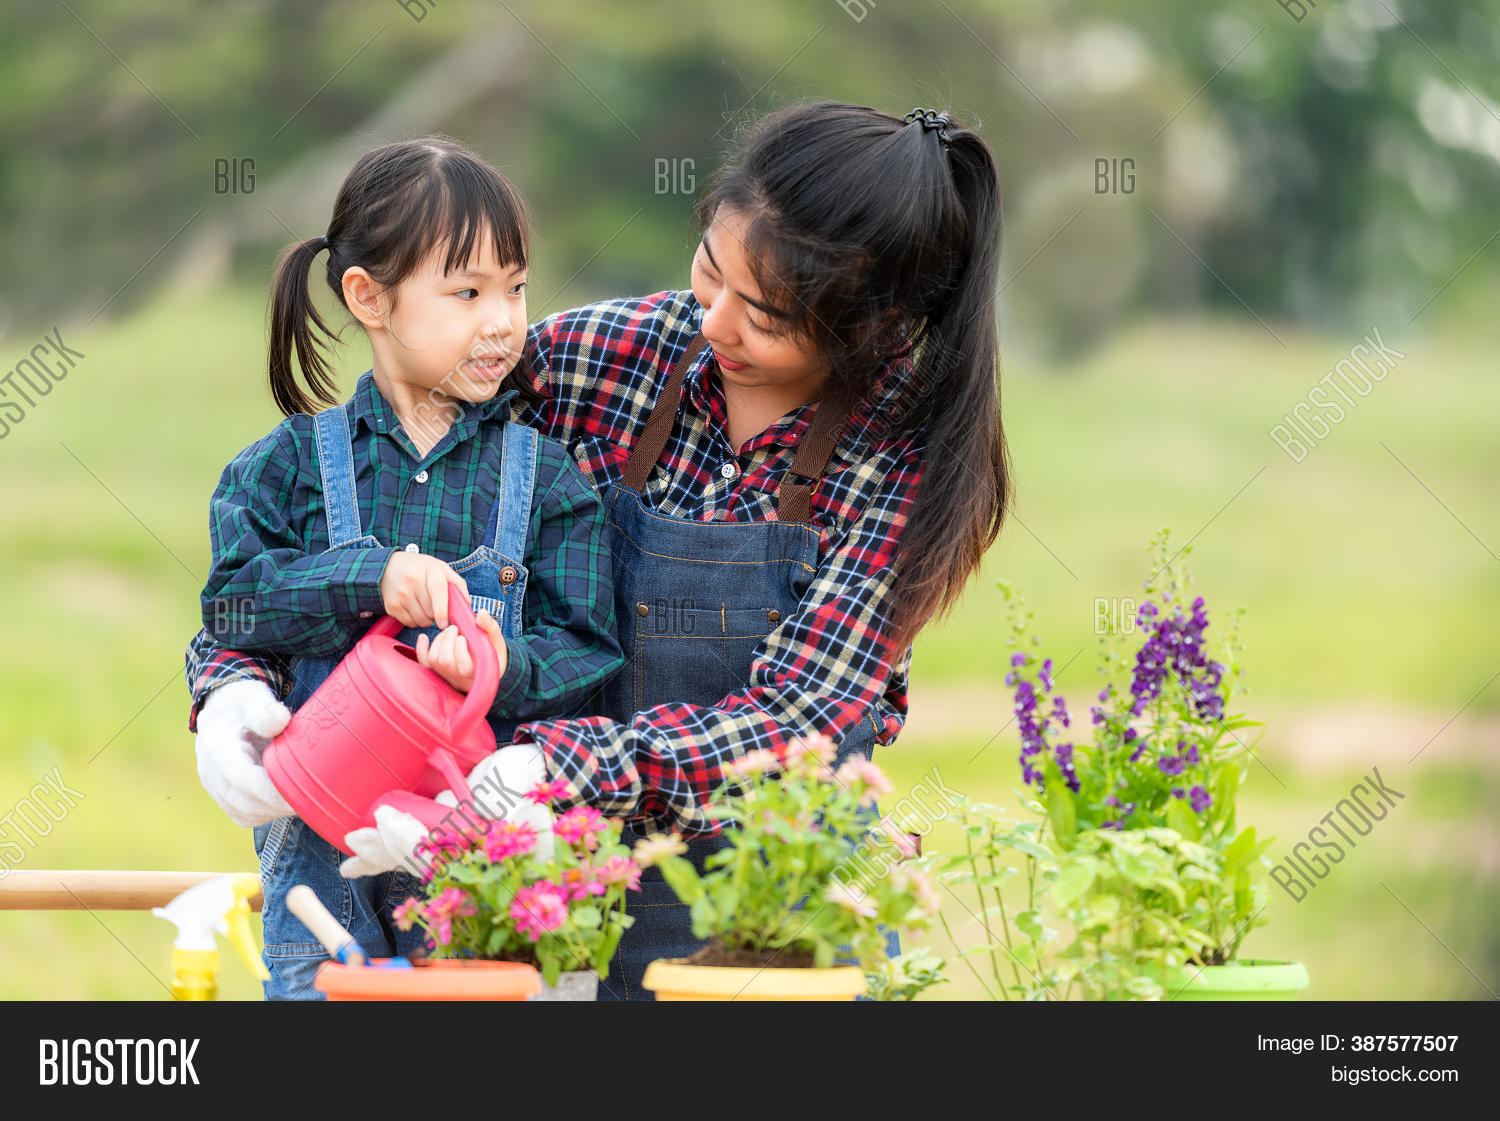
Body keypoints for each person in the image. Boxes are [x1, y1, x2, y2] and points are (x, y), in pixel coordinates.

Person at [187, 102, 1011, 1000]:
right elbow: (380, 491)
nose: (714, 324)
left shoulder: (905, 461)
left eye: (765, 315)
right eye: (709, 271)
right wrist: (230, 675)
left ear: (874, 326)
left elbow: (799, 717)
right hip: (557, 905)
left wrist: (551, 768)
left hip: (772, 909)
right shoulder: (604, 356)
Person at [191, 136, 624, 1000]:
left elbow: (588, 649)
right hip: (322, 876)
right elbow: (233, 607)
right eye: (466, 292)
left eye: (516, 287)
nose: (502, 320)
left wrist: (493, 666)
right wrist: (367, 580)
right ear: (369, 297)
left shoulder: (546, 479)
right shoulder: (284, 467)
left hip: (482, 867)